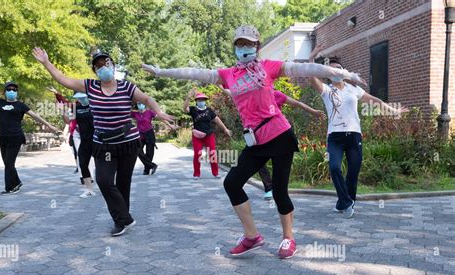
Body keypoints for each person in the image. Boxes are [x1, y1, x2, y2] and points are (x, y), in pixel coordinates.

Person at [142, 25, 364, 259]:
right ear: (235, 48)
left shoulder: (269, 67)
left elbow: (304, 68)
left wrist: (345, 75)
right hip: (256, 140)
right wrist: (160, 72)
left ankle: (288, 239)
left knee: (279, 191)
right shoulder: (228, 75)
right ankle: (252, 236)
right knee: (232, 183)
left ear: (257, 47)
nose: (244, 48)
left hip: (279, 135)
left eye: (249, 44)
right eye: (240, 44)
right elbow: (193, 72)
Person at [33, 48, 174, 236]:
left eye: (107, 63)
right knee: (104, 180)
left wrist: (159, 112)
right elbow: (63, 80)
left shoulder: (127, 87)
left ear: (113, 66)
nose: (104, 67)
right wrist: (46, 62)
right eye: (99, 65)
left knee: (124, 182)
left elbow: (147, 99)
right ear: (95, 71)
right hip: (103, 144)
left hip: (128, 142)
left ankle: (120, 221)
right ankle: (125, 218)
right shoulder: (90, 86)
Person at [308, 44, 408, 218]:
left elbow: (374, 100)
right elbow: (309, 73)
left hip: (354, 135)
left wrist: (394, 111)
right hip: (335, 137)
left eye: (338, 68)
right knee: (334, 168)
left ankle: (344, 203)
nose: (336, 72)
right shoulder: (326, 91)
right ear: (328, 76)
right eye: (331, 71)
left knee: (353, 172)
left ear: (344, 71)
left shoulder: (353, 89)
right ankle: (347, 203)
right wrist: (313, 56)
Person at [220, 85, 326, 200]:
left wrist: (314, 112)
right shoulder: (249, 96)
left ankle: (276, 192)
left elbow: (297, 103)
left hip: (277, 137)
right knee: (257, 166)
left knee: (279, 183)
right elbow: (231, 93)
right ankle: (269, 188)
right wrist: (219, 84)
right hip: (259, 140)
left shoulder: (276, 94)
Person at [0, 82, 61, 194]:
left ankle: (14, 185)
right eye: (9, 89)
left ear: (17, 92)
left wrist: (49, 125)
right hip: (3, 137)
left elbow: (35, 116)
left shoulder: (21, 105)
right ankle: (13, 185)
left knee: (9, 163)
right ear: (5, 92)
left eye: (14, 89)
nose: (11, 91)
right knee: (7, 164)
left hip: (16, 137)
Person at [52, 88, 97, 198]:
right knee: (82, 164)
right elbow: (68, 120)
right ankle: (89, 190)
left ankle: (110, 186)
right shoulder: (77, 108)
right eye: (79, 98)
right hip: (85, 141)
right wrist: (62, 111)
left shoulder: (95, 106)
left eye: (83, 97)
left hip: (98, 140)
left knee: (103, 167)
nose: (81, 99)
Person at [183, 88, 232, 179]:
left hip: (209, 135)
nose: (201, 101)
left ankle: (215, 173)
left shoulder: (209, 110)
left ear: (205, 101)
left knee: (212, 154)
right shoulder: (193, 109)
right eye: (199, 100)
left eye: (203, 100)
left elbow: (216, 119)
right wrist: (188, 98)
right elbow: (185, 109)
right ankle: (196, 174)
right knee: (197, 154)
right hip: (197, 136)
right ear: (196, 101)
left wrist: (225, 129)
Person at [131, 102, 178, 175]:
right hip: (140, 134)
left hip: (149, 133)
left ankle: (146, 170)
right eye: (138, 103)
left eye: (141, 103)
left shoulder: (150, 112)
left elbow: (161, 119)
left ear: (145, 104)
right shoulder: (135, 114)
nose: (140, 105)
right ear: (136, 105)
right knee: (138, 150)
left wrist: (170, 126)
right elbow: (124, 113)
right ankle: (152, 165)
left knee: (149, 152)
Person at [48, 87, 79, 174]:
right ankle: (79, 167)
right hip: (75, 133)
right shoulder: (74, 107)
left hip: (89, 133)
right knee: (76, 152)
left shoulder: (92, 105)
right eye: (77, 96)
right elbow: (67, 120)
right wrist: (57, 94)